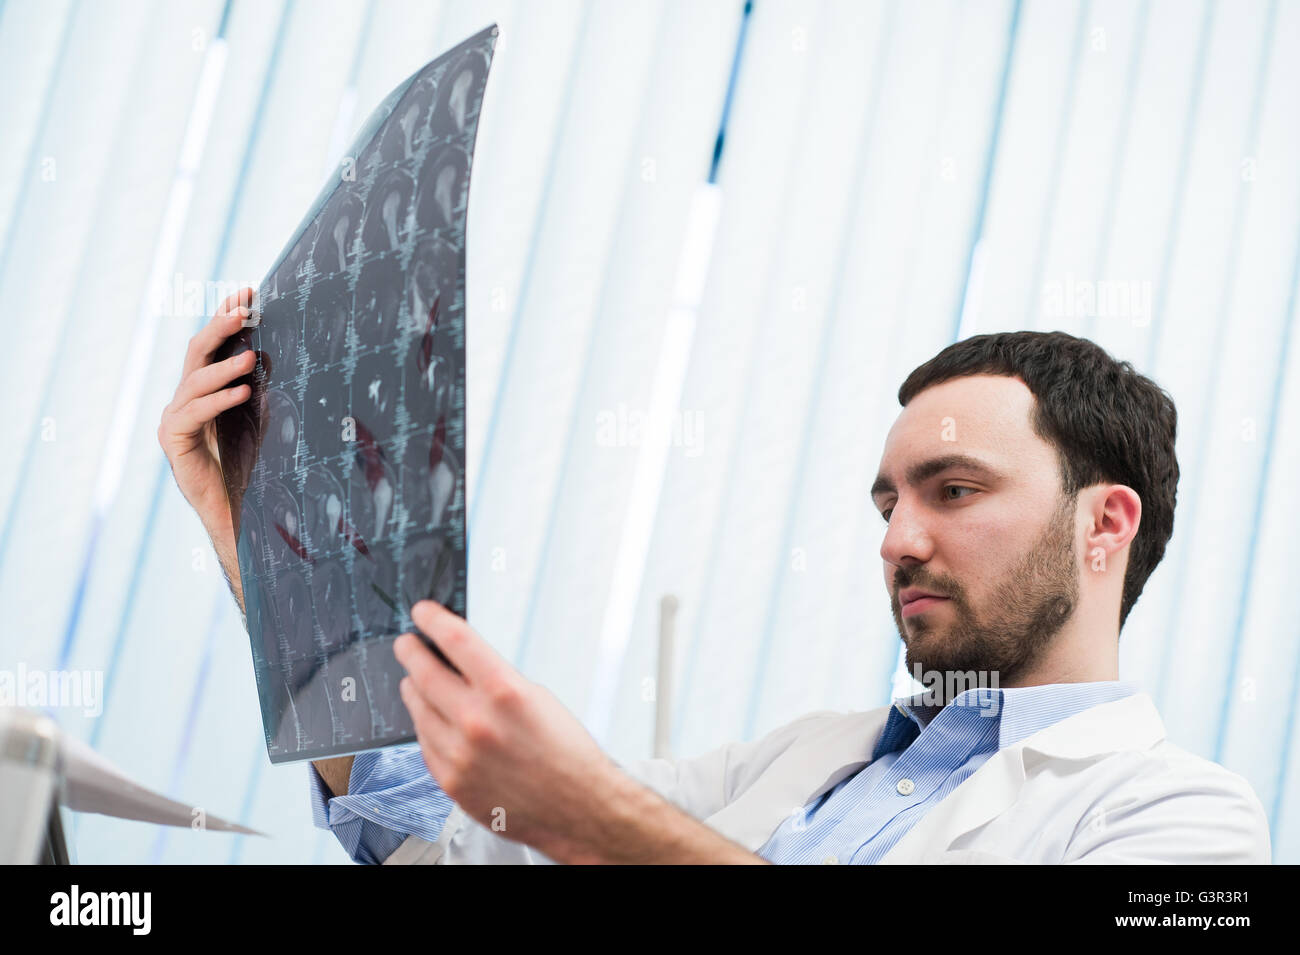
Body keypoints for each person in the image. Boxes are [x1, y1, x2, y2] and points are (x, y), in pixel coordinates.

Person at [159, 289, 1271, 864]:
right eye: (888, 501)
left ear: (1103, 523)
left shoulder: (1185, 823)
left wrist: (593, 821)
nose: (895, 538)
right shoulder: (804, 758)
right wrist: (259, 540)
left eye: (954, 489)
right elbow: (430, 839)